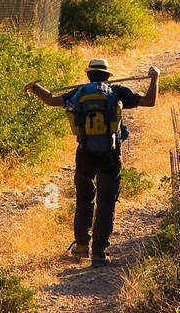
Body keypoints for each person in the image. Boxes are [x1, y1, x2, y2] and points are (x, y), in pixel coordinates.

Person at [24, 58, 159, 267]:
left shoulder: (80, 92)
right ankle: (99, 253)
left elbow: (50, 100)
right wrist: (155, 78)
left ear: (89, 75)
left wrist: (34, 87)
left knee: (84, 198)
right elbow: (150, 101)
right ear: (107, 75)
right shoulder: (117, 91)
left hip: (85, 155)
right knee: (106, 203)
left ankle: (80, 245)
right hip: (110, 156)